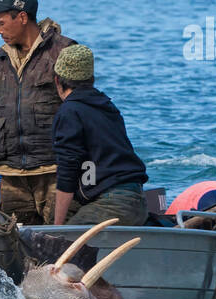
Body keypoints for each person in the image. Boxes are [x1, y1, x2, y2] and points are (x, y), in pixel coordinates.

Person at [0, 0, 76, 225]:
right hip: (11, 174)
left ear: (23, 17)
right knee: (17, 246)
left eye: (2, 23)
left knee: (61, 241)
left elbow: (81, 112)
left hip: (55, 171)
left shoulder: (64, 51)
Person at [51, 44, 149, 226]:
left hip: (113, 203)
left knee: (61, 243)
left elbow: (67, 171)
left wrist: (57, 227)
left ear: (58, 81)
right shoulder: (107, 105)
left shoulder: (69, 111)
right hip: (138, 199)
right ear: (91, 79)